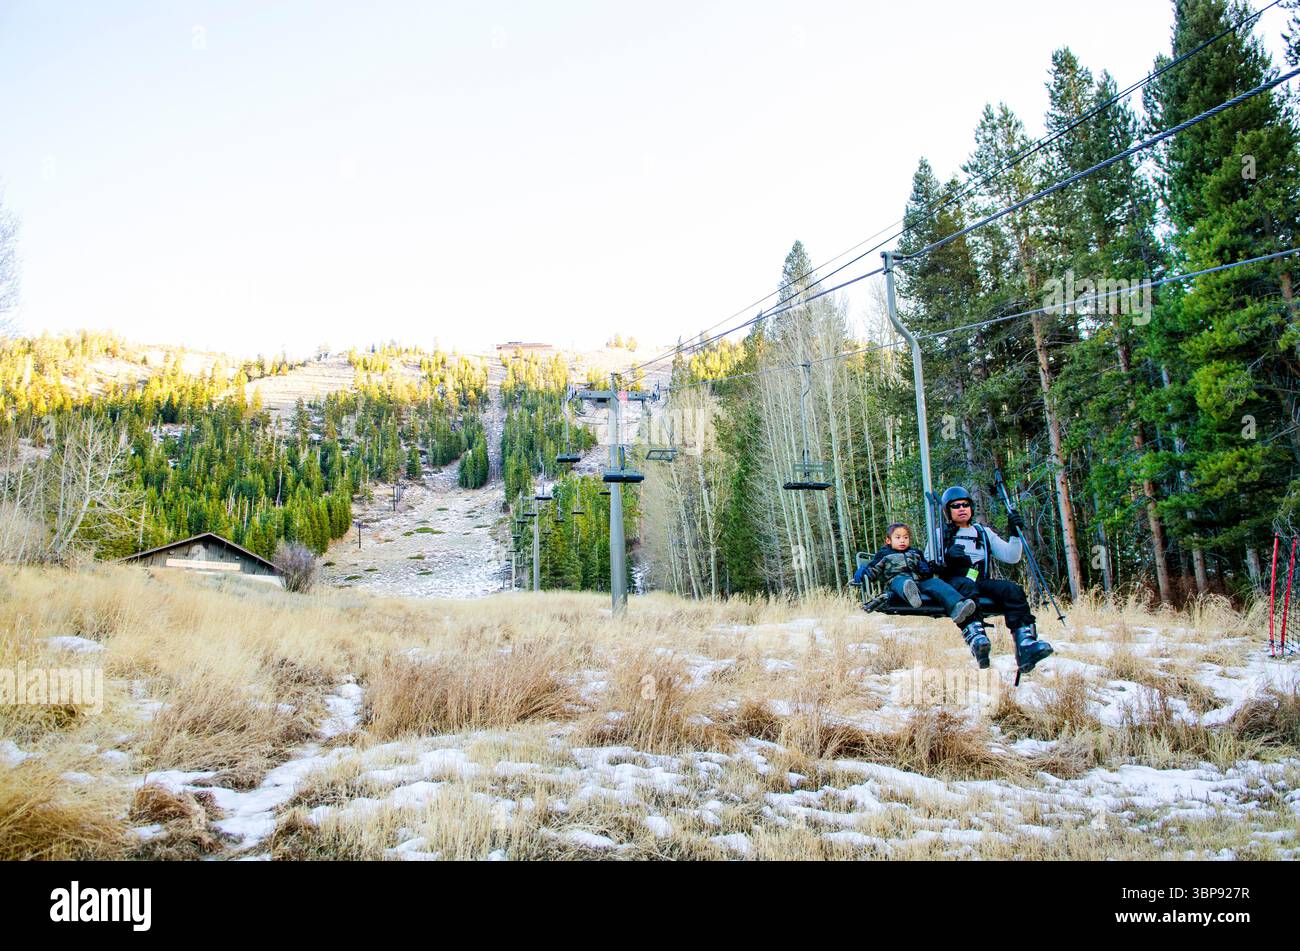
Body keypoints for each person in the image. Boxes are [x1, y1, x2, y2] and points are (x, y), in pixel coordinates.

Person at [935, 485, 1053, 673]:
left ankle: (1025, 643)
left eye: (965, 504)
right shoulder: (941, 534)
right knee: (966, 587)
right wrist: (946, 557)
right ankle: (976, 637)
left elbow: (1011, 556)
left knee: (1011, 590)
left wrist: (1014, 534)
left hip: (979, 580)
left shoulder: (983, 532)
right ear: (948, 511)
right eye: (955, 506)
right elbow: (927, 563)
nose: (961, 508)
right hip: (954, 582)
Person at [853, 522, 979, 630]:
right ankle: (910, 593)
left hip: (919, 582)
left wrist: (926, 569)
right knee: (902, 581)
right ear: (888, 540)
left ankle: (958, 605)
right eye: (898, 538)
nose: (902, 540)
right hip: (896, 581)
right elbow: (874, 570)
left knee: (936, 583)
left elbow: (927, 571)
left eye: (906, 537)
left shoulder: (915, 553)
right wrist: (865, 571)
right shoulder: (884, 554)